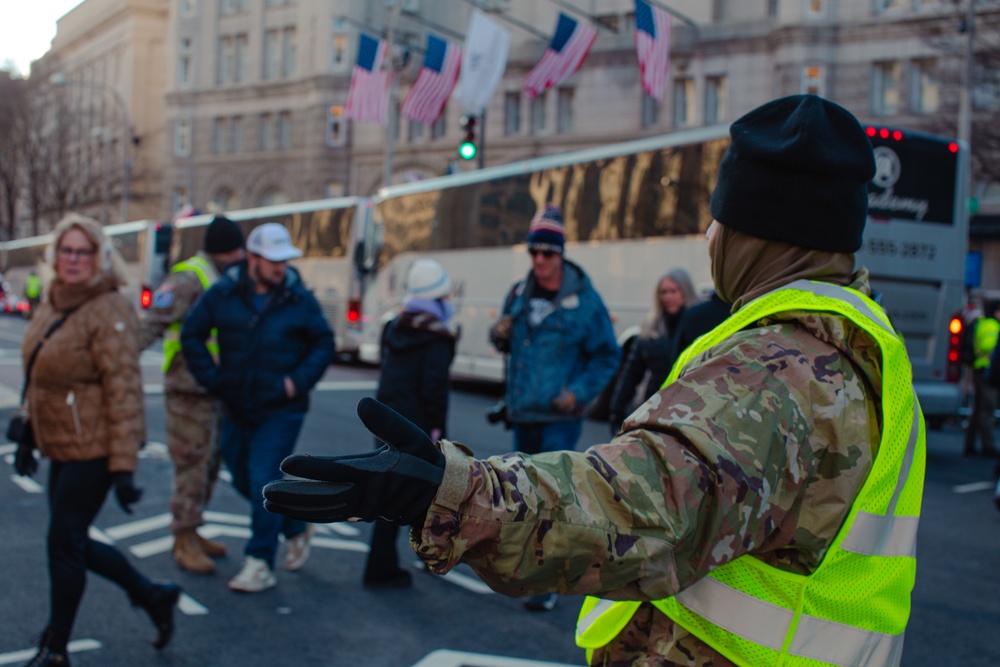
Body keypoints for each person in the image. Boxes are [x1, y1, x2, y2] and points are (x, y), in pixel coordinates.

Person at [263, 94, 926, 667]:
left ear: (754, 236)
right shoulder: (856, 347)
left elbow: (641, 502)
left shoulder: (779, 369)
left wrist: (452, 491)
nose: (708, 234)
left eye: (720, 219)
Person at [14, 214, 180, 666]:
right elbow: (40, 373)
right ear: (55, 256)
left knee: (63, 542)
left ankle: (56, 647)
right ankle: (153, 596)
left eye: (82, 251)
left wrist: (124, 466)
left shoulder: (110, 309)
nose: (72, 259)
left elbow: (124, 390)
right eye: (66, 250)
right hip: (63, 442)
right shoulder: (53, 300)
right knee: (73, 541)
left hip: (97, 445)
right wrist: (28, 431)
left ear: (98, 258)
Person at [181, 222, 335, 593]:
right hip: (236, 403)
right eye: (272, 260)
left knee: (264, 476)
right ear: (252, 258)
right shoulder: (224, 294)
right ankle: (295, 526)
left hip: (281, 408)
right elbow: (192, 334)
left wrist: (294, 382)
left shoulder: (297, 298)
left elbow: (324, 342)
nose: (280, 267)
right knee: (243, 476)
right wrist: (213, 380)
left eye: (284, 260)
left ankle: (259, 561)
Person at [488, 203, 620, 611]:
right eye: (534, 252)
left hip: (560, 417)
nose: (540, 260)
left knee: (552, 498)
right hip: (524, 411)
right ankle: (527, 568)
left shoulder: (585, 300)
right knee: (524, 496)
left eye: (548, 252)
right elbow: (506, 345)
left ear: (561, 254)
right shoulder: (518, 293)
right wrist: (499, 333)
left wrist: (577, 393)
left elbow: (606, 356)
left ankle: (545, 582)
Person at [138, 215, 246, 574]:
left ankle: (193, 529)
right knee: (191, 465)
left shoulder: (219, 276)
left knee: (209, 464)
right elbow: (153, 323)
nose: (241, 256)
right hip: (186, 389)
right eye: (236, 250)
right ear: (224, 251)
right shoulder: (188, 277)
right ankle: (182, 537)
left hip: (212, 387)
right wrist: (117, 365)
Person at [364, 259, 457, 590]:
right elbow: (434, 389)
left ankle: (413, 554)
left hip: (387, 419)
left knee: (398, 489)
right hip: (417, 426)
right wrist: (436, 430)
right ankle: (382, 566)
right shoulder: (437, 336)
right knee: (417, 491)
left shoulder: (396, 326)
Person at [607, 268, 700, 435]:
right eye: (663, 292)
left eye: (674, 291)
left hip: (689, 411)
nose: (668, 297)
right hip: (655, 407)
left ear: (685, 291)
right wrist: (616, 409)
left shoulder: (699, 324)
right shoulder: (650, 327)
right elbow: (632, 372)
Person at [965, 301, 1000, 457]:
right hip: (988, 371)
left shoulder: (983, 323)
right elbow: (989, 347)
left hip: (981, 368)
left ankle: (970, 444)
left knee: (978, 408)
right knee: (987, 408)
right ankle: (988, 446)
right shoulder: (992, 325)